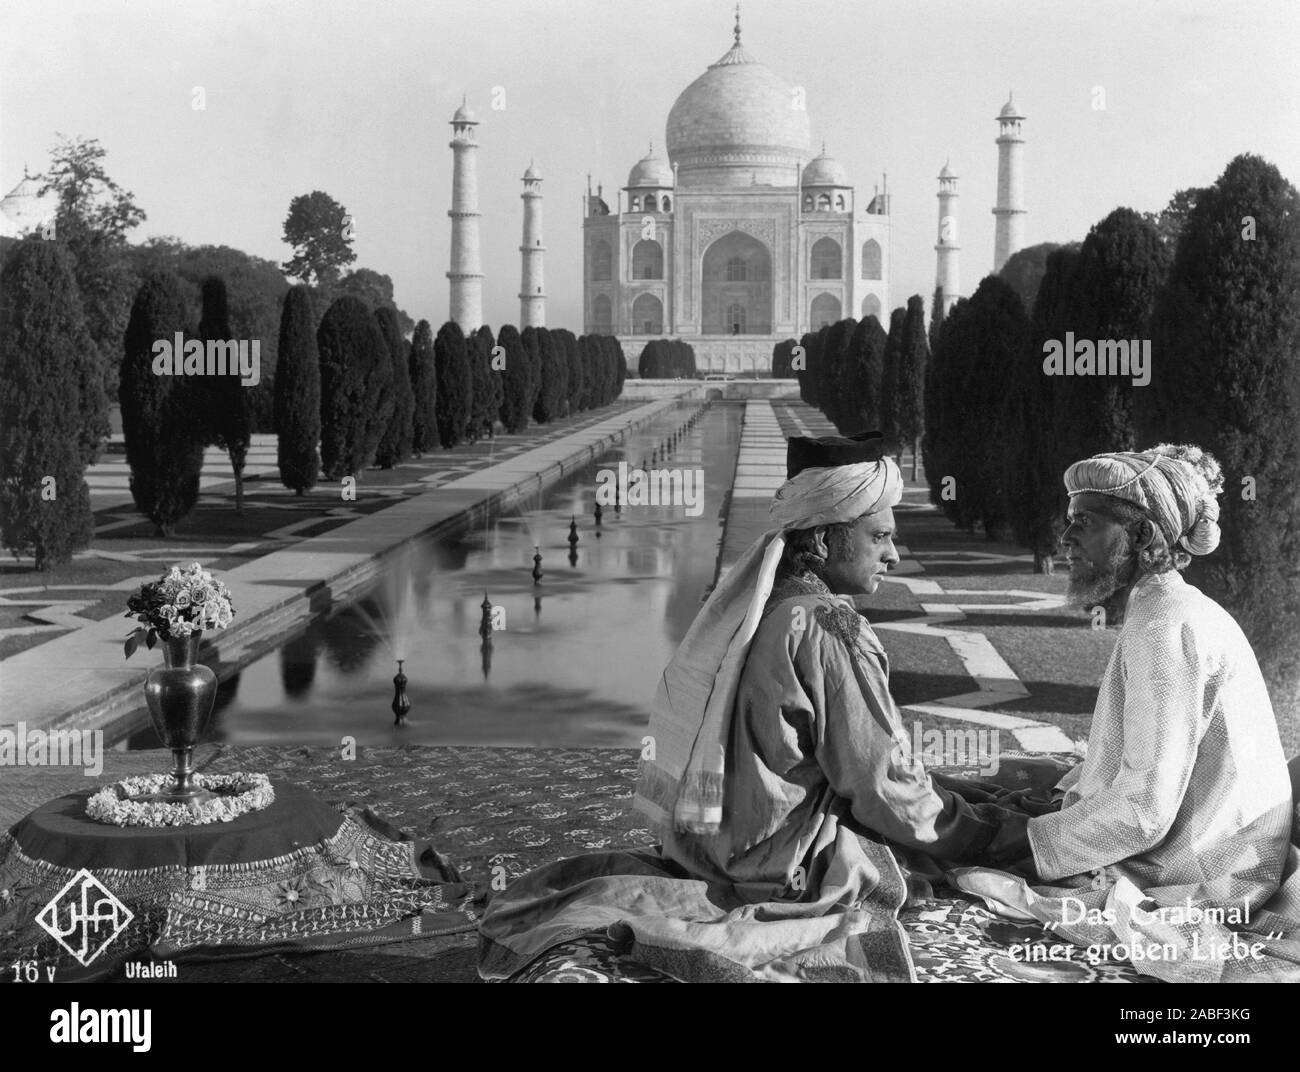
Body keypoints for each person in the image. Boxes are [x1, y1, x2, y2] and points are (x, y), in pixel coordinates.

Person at [479, 432, 1017, 982]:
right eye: (879, 536)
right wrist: (990, 839)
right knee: (961, 841)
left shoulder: (760, 603)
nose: (894, 555)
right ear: (828, 538)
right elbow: (881, 785)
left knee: (965, 795)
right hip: (785, 865)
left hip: (713, 849)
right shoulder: (831, 627)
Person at [954, 443, 1300, 982]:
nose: (1066, 538)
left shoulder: (1167, 628)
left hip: (1212, 868)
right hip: (1215, 838)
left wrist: (1029, 844)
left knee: (970, 864)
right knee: (986, 808)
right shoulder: (1166, 609)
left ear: (1142, 537)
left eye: (1084, 523)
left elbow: (1145, 809)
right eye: (1070, 521)